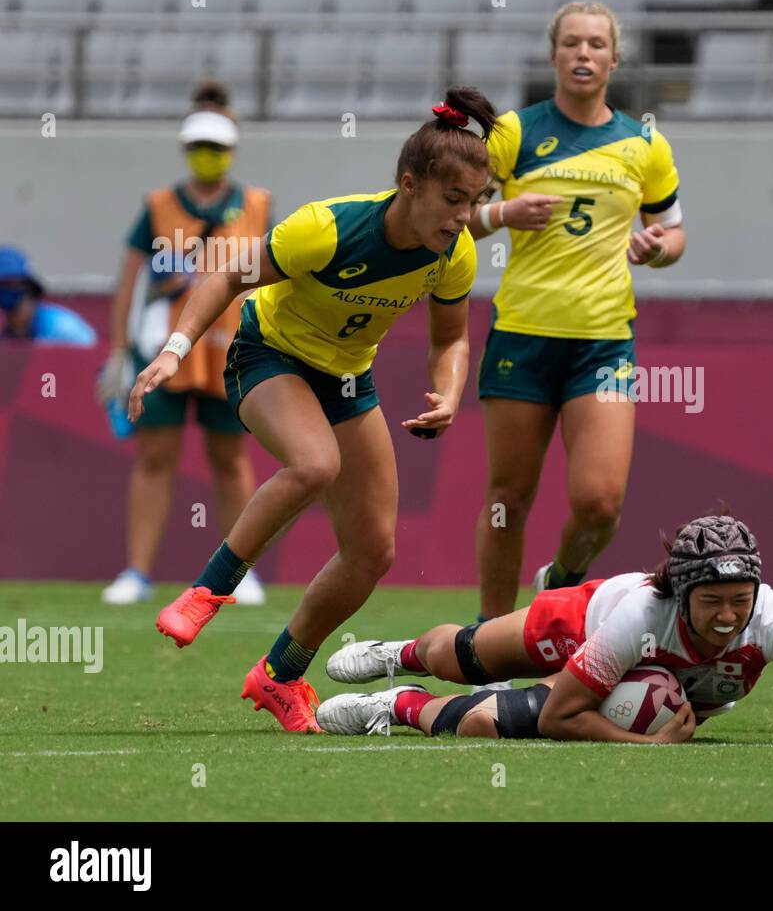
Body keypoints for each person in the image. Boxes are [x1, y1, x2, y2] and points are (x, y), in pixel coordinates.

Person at [128, 89, 497, 732]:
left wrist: (450, 390)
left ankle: (278, 675)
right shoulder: (326, 228)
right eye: (452, 199)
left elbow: (451, 341)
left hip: (347, 377)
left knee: (372, 551)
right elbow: (224, 277)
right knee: (315, 462)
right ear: (409, 185)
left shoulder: (452, 254)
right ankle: (206, 591)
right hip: (267, 356)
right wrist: (173, 350)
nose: (464, 217)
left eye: (475, 202)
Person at [466, 1, 685, 644]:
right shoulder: (511, 134)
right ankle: (489, 637)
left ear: (615, 59)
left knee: (600, 504)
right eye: (571, 43)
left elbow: (673, 233)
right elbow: (448, 220)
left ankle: (561, 580)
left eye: (596, 44)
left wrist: (657, 249)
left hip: (603, 343)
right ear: (554, 55)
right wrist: (503, 214)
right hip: (523, 336)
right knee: (508, 498)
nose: (583, 54)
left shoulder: (646, 144)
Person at [315, 514, 773, 747]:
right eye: (712, 601)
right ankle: (404, 654)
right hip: (583, 623)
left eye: (738, 602)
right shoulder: (640, 614)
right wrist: (652, 746)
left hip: (639, 680)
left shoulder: (771, 616)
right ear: (681, 592)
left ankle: (394, 706)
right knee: (465, 655)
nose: (728, 615)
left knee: (483, 725)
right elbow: (559, 717)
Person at [99, 82, 268, 607]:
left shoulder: (257, 205)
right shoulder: (159, 206)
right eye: (199, 147)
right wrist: (118, 348)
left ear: (232, 150)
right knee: (154, 457)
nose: (208, 157)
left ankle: (241, 574)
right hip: (163, 350)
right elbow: (129, 281)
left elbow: (272, 278)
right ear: (185, 149)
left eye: (217, 148)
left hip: (230, 349)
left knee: (230, 459)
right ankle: (137, 572)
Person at [0, 246, 96, 345]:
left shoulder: (61, 327)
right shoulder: (8, 333)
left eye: (7, 283)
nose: (3, 290)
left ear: (27, 285)